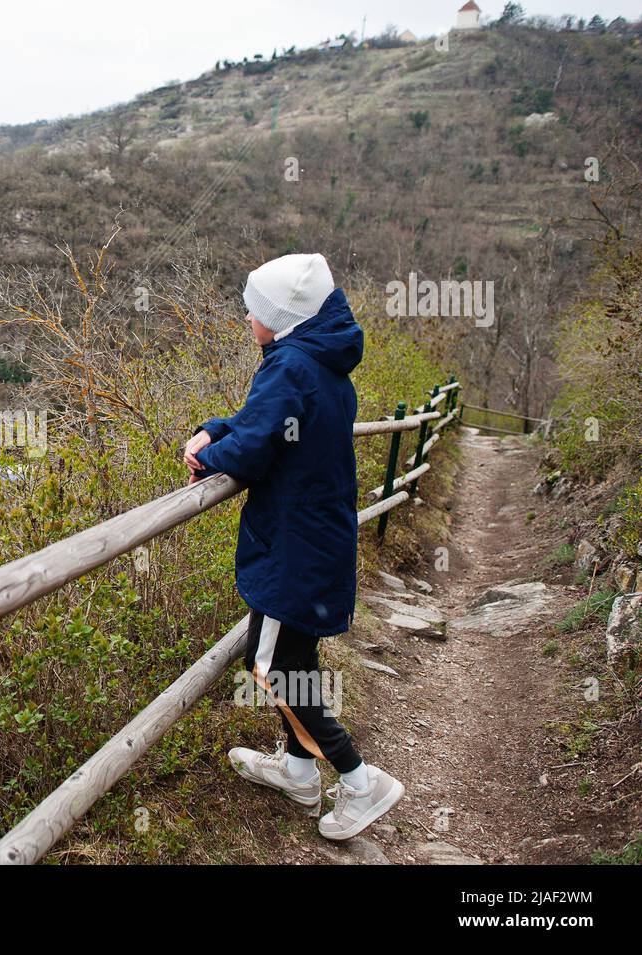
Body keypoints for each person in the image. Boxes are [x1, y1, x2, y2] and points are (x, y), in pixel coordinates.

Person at [184, 252, 403, 841]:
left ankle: (360, 781)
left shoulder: (289, 368)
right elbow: (266, 423)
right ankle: (300, 770)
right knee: (292, 660)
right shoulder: (317, 363)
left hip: (295, 549)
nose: (246, 318)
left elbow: (257, 449)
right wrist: (218, 427)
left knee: (274, 668)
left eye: (253, 310)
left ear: (279, 319)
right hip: (311, 541)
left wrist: (206, 457)